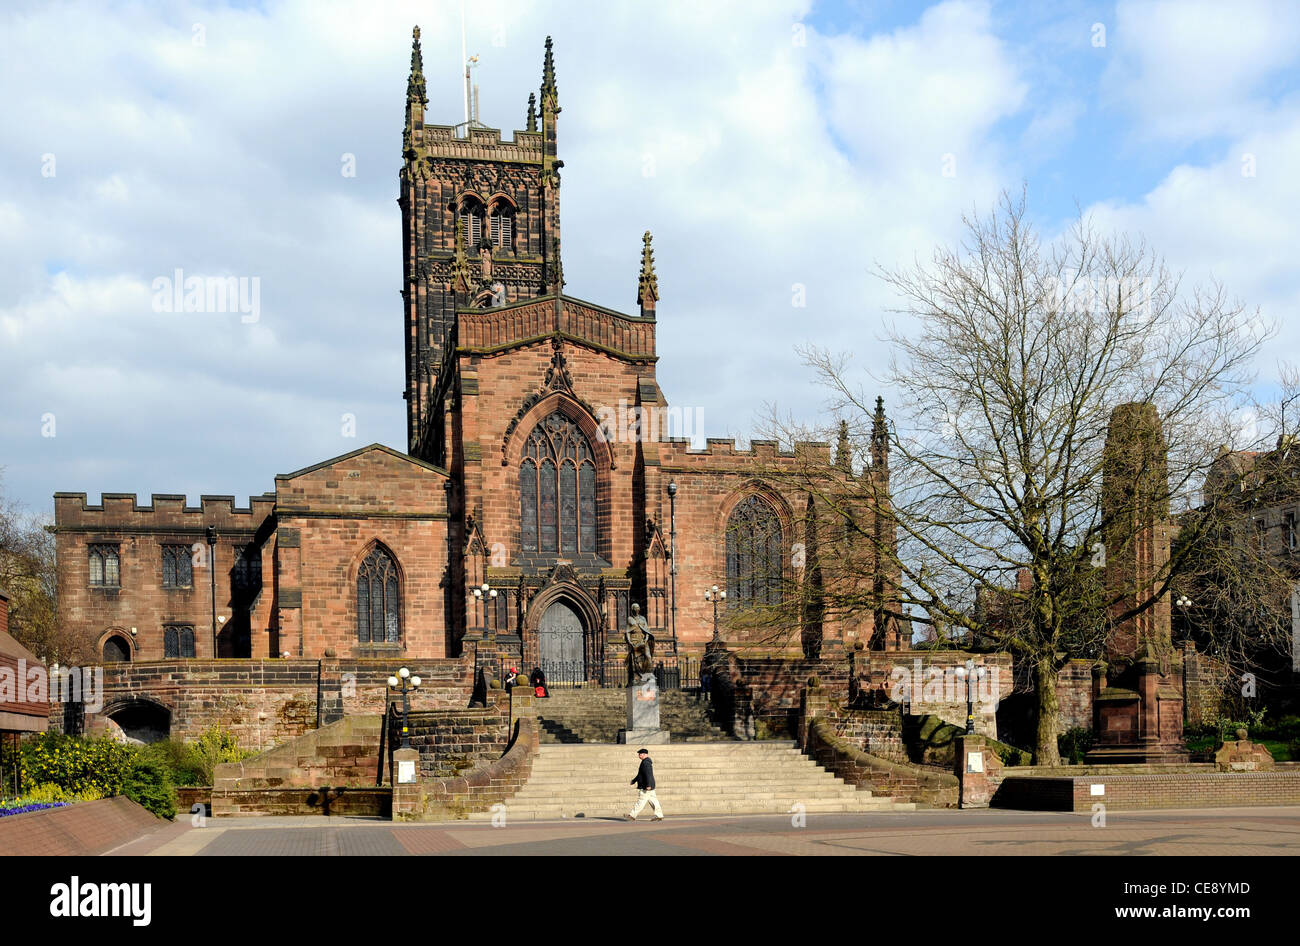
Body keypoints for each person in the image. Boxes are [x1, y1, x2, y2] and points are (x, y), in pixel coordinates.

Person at [626, 748, 664, 821]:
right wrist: (634, 780)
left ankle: (632, 815)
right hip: (648, 785)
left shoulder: (646, 763)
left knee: (641, 801)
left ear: (645, 754)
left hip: (646, 786)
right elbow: (640, 774)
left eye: (640, 754)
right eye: (639, 754)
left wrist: (648, 785)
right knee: (654, 801)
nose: (639, 755)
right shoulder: (645, 762)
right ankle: (659, 815)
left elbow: (648, 774)